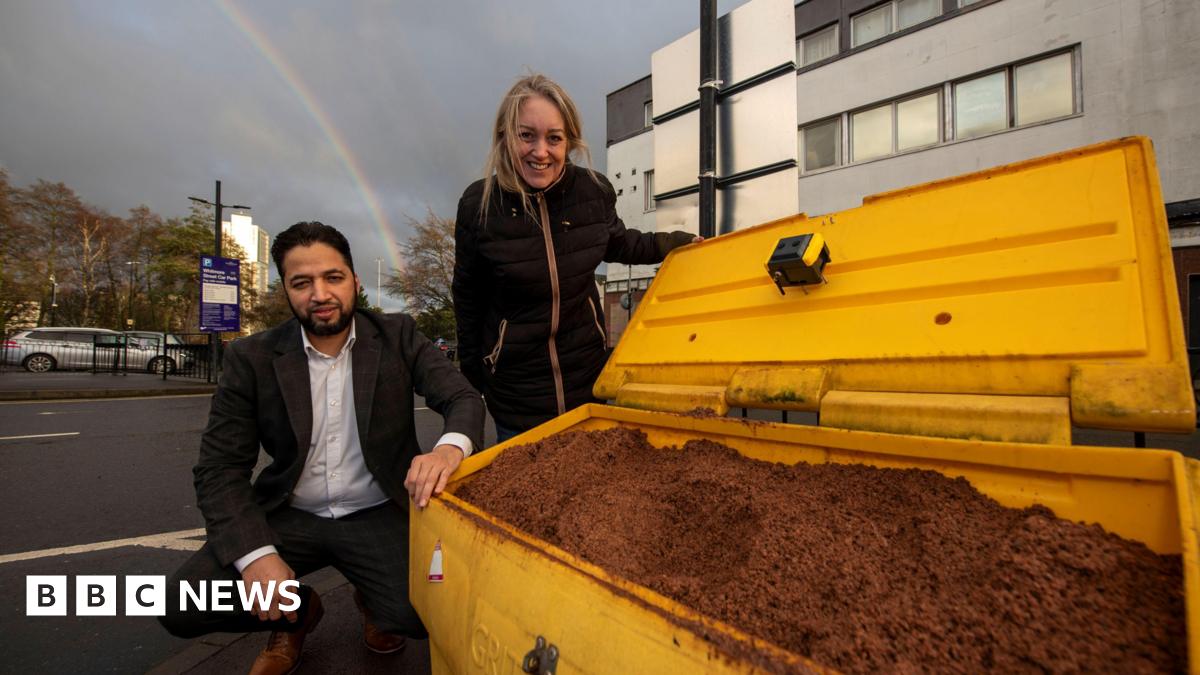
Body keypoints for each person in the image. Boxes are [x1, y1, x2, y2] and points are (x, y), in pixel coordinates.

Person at [159, 222, 484, 675]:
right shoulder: (250, 358)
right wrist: (257, 559)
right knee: (181, 604)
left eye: (333, 278)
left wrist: (449, 449)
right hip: (289, 516)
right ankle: (295, 613)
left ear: (353, 280)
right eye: (302, 282)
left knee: (420, 616)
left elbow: (463, 398)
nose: (320, 294)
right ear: (286, 291)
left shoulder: (398, 335)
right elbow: (219, 468)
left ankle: (374, 600)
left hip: (378, 511)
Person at [453, 73, 700, 443]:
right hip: (516, 399)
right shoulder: (479, 204)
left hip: (587, 383)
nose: (541, 151)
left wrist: (672, 243)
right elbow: (467, 297)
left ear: (568, 142)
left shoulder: (593, 190)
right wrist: (474, 379)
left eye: (554, 138)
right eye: (527, 136)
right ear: (505, 137)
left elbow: (618, 242)